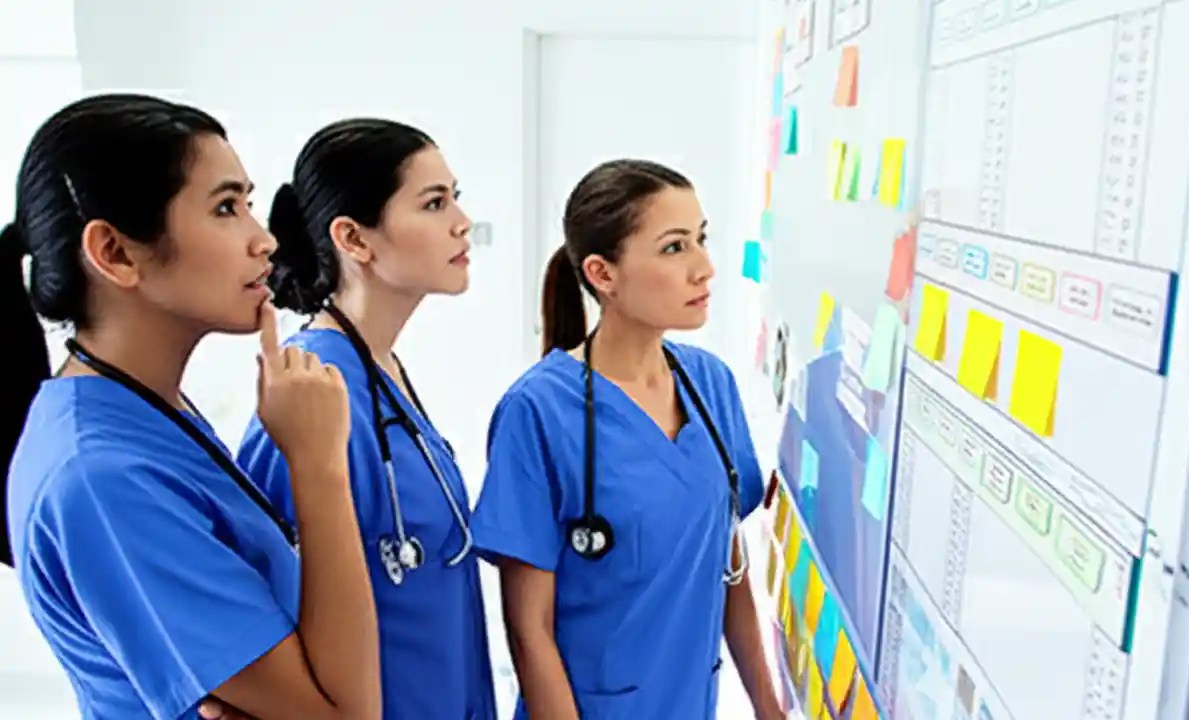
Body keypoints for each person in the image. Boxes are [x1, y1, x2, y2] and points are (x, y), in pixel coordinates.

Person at [1, 94, 380, 720]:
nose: (264, 240)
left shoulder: (145, 412)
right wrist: (319, 467)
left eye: (248, 204)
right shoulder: (102, 477)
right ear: (117, 254)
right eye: (226, 208)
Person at [469, 159, 785, 719]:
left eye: (701, 239)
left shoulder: (711, 384)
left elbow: (727, 567)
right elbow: (528, 629)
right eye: (674, 247)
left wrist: (769, 707)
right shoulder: (537, 411)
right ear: (603, 273)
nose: (705, 268)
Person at [234, 118, 496, 720]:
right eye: (434, 203)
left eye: (455, 197)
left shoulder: (381, 369)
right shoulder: (311, 392)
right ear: (354, 238)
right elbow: (272, 618)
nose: (461, 222)